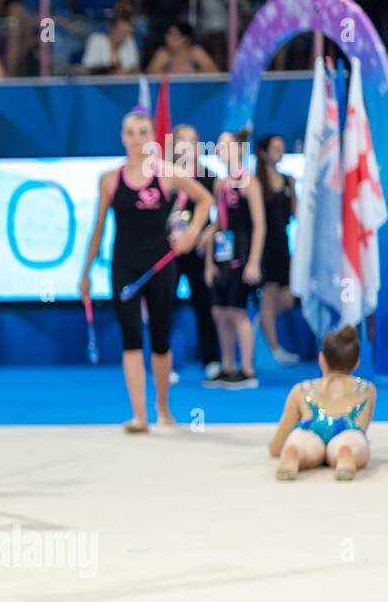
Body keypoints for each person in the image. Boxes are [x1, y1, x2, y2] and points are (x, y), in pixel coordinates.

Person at [78, 111, 212, 431]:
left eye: (142, 132)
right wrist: (85, 272)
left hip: (161, 266)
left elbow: (205, 199)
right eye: (130, 132)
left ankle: (162, 406)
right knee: (131, 338)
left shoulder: (165, 173)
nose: (136, 138)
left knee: (161, 338)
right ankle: (139, 415)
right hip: (124, 266)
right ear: (122, 137)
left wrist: (191, 234)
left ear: (152, 136)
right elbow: (98, 228)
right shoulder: (110, 179)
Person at [270, 325, 376, 482]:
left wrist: (279, 447)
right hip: (346, 429)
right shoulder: (366, 389)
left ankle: (295, 452)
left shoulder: (301, 389)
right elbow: (361, 428)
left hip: (311, 428)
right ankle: (345, 453)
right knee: (352, 440)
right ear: (356, 363)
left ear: (321, 359)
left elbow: (277, 444)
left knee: (300, 440)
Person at [203, 130, 264, 389]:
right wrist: (208, 260)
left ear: (239, 150)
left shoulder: (249, 183)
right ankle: (227, 366)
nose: (220, 150)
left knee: (238, 311)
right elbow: (218, 223)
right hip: (222, 252)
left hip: (242, 250)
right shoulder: (220, 184)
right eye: (218, 146)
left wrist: (253, 262)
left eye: (225, 146)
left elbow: (260, 225)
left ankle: (247, 369)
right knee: (219, 311)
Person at [168, 124, 221, 380]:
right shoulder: (163, 174)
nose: (187, 146)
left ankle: (211, 360)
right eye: (182, 140)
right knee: (163, 305)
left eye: (192, 141)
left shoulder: (208, 176)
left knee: (204, 304)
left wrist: (205, 233)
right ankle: (164, 362)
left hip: (198, 249)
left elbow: (221, 216)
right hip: (170, 250)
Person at [253, 134, 298, 364]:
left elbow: (296, 213)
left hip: (282, 243)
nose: (280, 151)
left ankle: (261, 320)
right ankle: (274, 348)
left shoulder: (288, 180)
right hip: (264, 245)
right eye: (275, 147)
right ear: (263, 152)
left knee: (288, 298)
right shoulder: (256, 182)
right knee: (268, 296)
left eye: (283, 147)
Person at [146, 20, 219, 74]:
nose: (168, 39)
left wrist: (193, 72)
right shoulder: (164, 52)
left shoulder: (195, 51)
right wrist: (170, 72)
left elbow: (214, 70)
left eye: (173, 36)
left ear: (185, 39)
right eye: (167, 35)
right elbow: (150, 72)